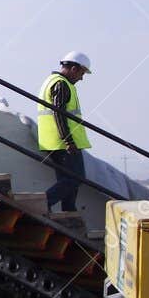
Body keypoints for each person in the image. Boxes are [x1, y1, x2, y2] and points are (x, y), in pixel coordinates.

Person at [37, 51, 92, 214]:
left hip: (55, 141)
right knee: (75, 178)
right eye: (82, 73)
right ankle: (43, 203)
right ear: (74, 68)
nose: (81, 78)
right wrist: (68, 141)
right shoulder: (61, 84)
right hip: (63, 143)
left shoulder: (52, 81)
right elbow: (58, 113)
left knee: (68, 179)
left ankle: (69, 212)